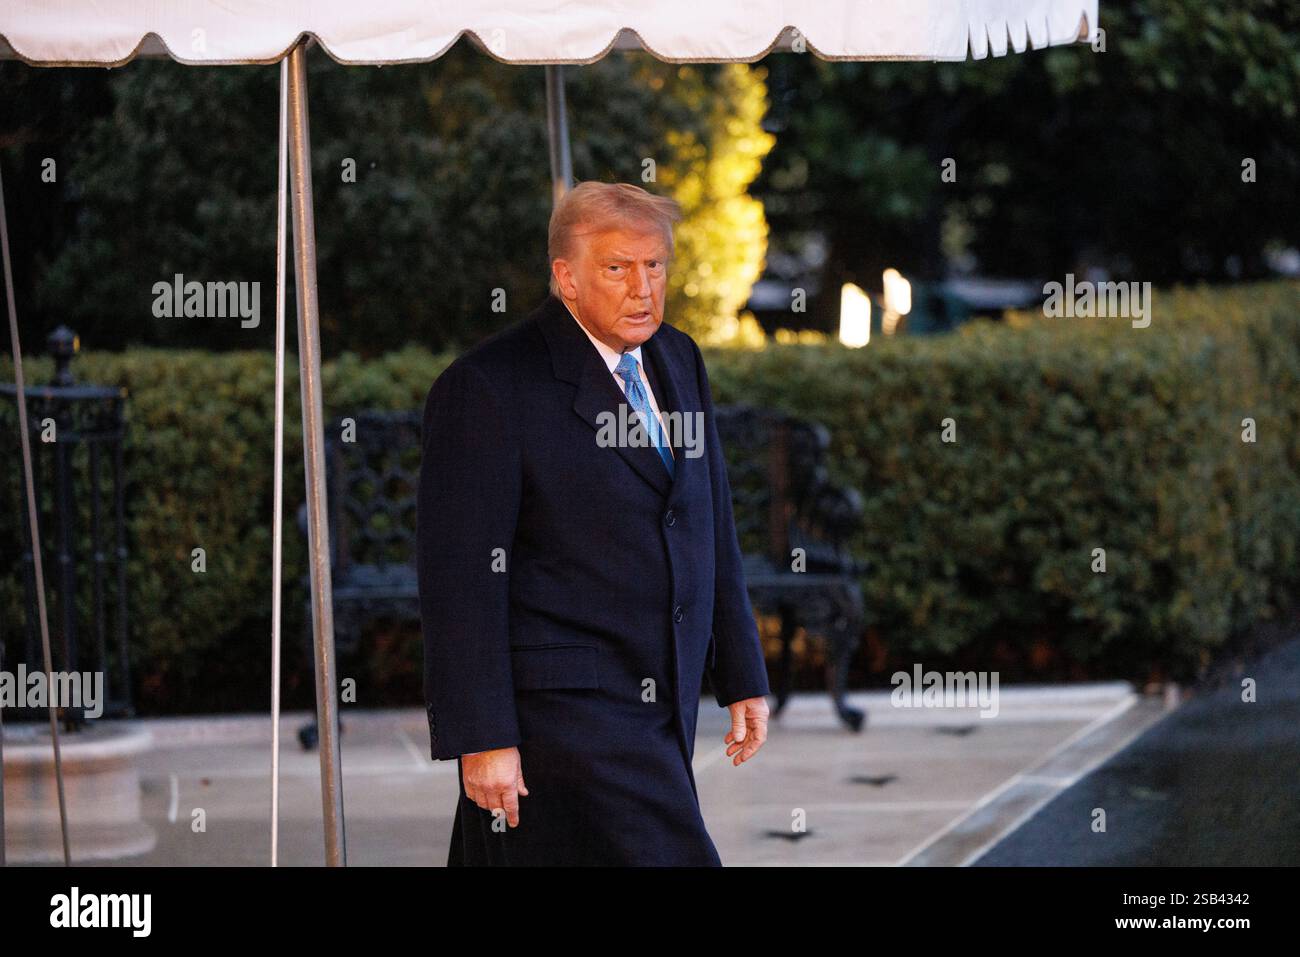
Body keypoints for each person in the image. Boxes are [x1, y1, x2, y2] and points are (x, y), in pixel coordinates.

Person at [417, 180, 770, 866]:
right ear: (566, 277)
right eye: (617, 268)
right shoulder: (488, 386)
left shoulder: (678, 358)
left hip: (661, 696)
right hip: (565, 712)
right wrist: (481, 735)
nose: (642, 288)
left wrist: (740, 667)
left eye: (654, 266)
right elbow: (459, 580)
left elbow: (707, 518)